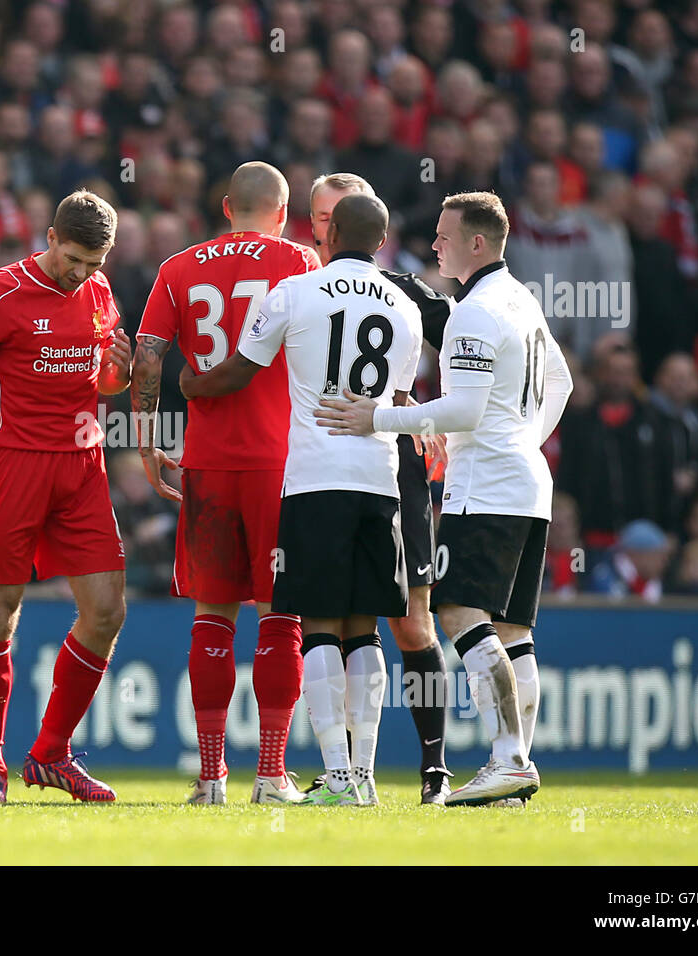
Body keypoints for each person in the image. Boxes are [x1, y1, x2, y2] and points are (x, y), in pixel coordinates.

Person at [318, 191, 573, 806]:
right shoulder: (521, 301)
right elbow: (560, 382)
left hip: (486, 483)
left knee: (458, 614)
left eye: (444, 236)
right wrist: (521, 440)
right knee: (513, 631)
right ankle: (513, 766)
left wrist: (378, 418)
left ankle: (509, 761)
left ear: (476, 243)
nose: (435, 246)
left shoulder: (474, 312)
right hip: (527, 477)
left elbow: (463, 408)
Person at [180, 193, 423, 807]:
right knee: (365, 627)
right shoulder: (406, 306)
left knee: (314, 623)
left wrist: (190, 384)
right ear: (381, 238)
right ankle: (365, 778)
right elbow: (395, 398)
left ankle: (335, 774)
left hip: (314, 476)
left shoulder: (295, 289)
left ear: (333, 229)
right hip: (379, 477)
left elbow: (240, 370)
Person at [130, 161, 320, 806]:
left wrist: (150, 443)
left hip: (206, 463)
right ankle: (271, 775)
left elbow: (148, 357)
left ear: (225, 204)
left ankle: (211, 778)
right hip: (281, 463)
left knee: (211, 618)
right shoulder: (301, 263)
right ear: (283, 210)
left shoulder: (178, 268)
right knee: (280, 615)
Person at [0, 189, 131, 803]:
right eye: (74, 258)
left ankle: (50, 754)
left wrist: (119, 373)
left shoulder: (99, 294)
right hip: (10, 466)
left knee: (107, 611)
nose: (82, 273)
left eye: (95, 263)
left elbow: (103, 380)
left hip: (82, 466)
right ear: (50, 239)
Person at [309, 172, 455, 804]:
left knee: (412, 625)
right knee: (343, 620)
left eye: (334, 216)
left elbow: (464, 339)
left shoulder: (401, 289)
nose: (325, 227)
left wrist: (430, 411)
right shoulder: (303, 289)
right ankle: (346, 770)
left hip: (393, 462)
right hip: (326, 464)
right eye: (318, 215)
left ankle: (434, 770)